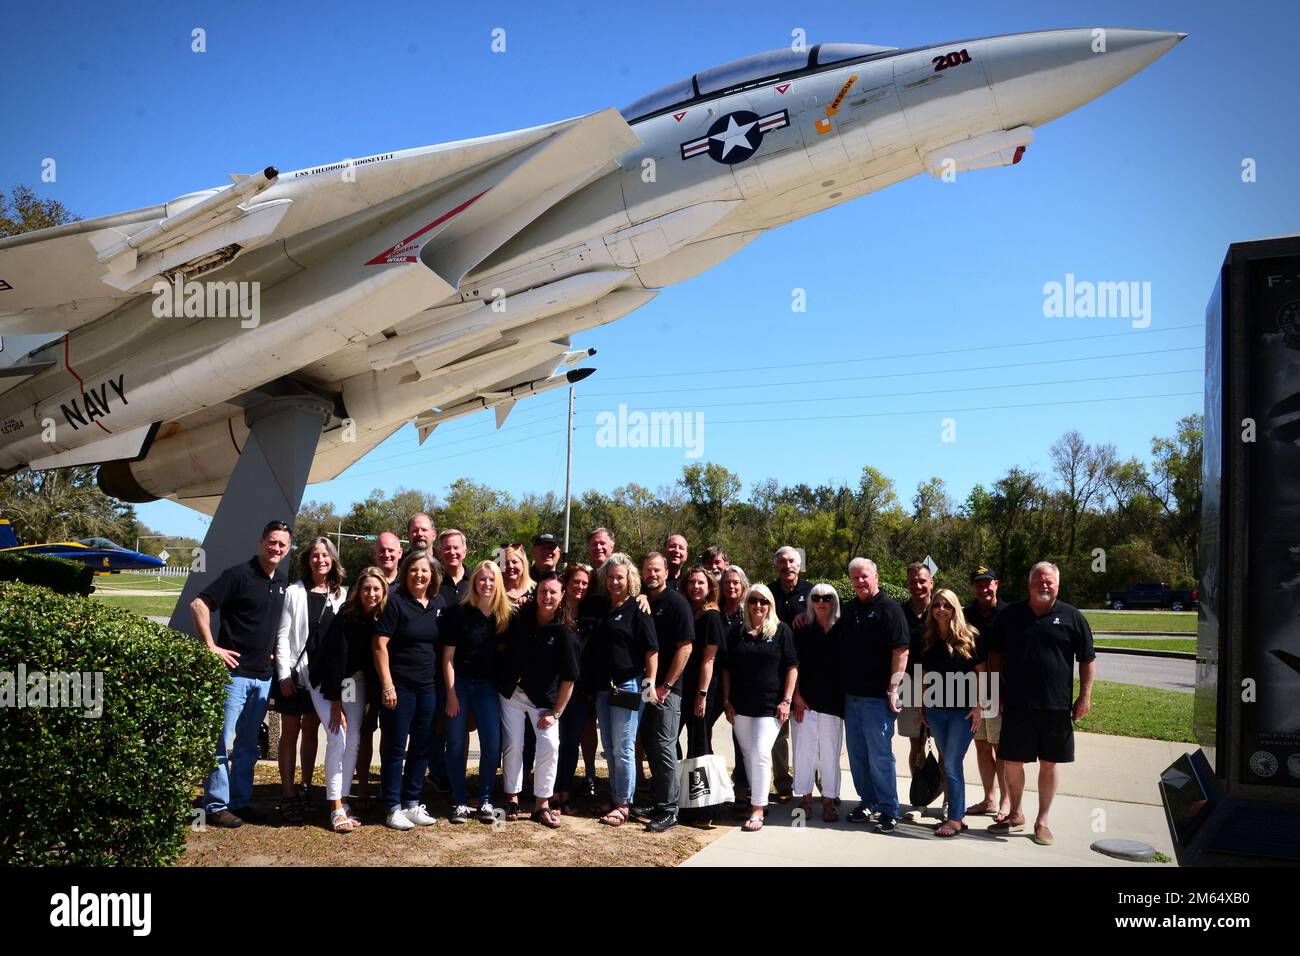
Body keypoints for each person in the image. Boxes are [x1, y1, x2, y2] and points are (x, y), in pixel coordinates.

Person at [193, 520, 293, 828]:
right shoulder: (238, 575)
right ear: (261, 542)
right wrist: (211, 645)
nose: (277, 548)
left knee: (249, 745)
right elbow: (199, 604)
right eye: (272, 542)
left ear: (288, 549)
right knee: (222, 742)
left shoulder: (282, 583)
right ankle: (216, 804)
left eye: (283, 545)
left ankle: (240, 801)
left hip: (263, 678)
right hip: (233, 676)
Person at [987, 562, 1096, 846]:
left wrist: (1084, 697)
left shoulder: (1073, 617)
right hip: (1016, 705)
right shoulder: (1011, 616)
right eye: (1038, 581)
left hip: (1056, 706)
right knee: (1012, 761)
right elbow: (995, 656)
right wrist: (994, 691)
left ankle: (1043, 820)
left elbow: (1087, 659)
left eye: (1049, 581)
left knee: (1049, 763)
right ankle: (1016, 813)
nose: (1044, 585)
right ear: (1029, 584)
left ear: (1058, 585)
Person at [272, 537, 347, 823]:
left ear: (333, 560)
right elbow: (282, 635)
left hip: (321, 677)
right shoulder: (294, 591)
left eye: (326, 555)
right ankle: (288, 794)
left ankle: (306, 786)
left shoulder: (339, 594)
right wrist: (284, 674)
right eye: (315, 555)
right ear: (307, 560)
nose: (320, 560)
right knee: (290, 731)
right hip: (295, 673)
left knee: (312, 730)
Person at [498, 573, 580, 827]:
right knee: (513, 743)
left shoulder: (566, 633)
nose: (547, 596)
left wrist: (556, 713)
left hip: (545, 700)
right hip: (512, 693)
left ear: (562, 596)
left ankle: (541, 803)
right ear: (536, 594)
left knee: (550, 744)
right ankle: (512, 797)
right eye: (543, 591)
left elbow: (569, 678)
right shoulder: (520, 619)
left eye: (553, 592)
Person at [834, 557, 910, 833]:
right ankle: (868, 802)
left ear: (875, 577)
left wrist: (894, 688)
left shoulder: (891, 609)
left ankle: (889, 809)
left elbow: (901, 651)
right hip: (852, 698)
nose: (859, 582)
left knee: (880, 756)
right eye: (855, 577)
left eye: (864, 576)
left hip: (878, 699)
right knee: (857, 755)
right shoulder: (850, 609)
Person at [310, 566, 388, 832]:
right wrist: (336, 703)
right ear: (358, 591)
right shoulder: (346, 616)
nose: (371, 593)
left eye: (377, 589)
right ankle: (334, 806)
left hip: (352, 682)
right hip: (328, 682)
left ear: (383, 592)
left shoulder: (379, 618)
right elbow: (336, 661)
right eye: (366, 588)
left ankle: (343, 799)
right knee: (338, 736)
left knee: (353, 738)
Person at [373, 550, 443, 829]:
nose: (419, 575)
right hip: (399, 688)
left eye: (424, 570)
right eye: (413, 570)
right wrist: (387, 686)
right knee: (395, 748)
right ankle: (392, 807)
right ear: (405, 573)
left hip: (428, 689)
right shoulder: (396, 602)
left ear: (432, 575)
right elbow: (379, 646)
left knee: (422, 747)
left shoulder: (439, 603)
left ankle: (412, 803)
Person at [589, 552, 658, 827]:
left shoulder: (638, 610)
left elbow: (652, 650)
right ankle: (616, 796)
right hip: (603, 689)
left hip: (628, 686)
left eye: (620, 577)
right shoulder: (601, 607)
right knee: (609, 746)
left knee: (624, 746)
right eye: (611, 577)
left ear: (630, 580)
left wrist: (650, 682)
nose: (615, 582)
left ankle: (624, 803)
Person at [723, 584, 798, 832]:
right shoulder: (737, 633)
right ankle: (758, 800)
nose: (758, 605)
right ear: (747, 604)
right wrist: (726, 700)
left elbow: (791, 667)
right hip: (741, 705)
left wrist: (786, 700)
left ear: (770, 605)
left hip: (770, 706)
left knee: (761, 752)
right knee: (747, 754)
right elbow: (727, 670)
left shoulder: (781, 631)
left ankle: (757, 808)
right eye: (754, 600)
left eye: (763, 601)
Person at [441, 559, 511, 825]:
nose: (487, 583)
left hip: (488, 688)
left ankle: (485, 800)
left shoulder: (505, 616)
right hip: (459, 685)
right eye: (482, 579)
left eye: (492, 579)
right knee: (457, 744)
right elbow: (447, 657)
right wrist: (451, 695)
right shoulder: (459, 613)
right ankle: (459, 801)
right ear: (474, 582)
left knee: (492, 744)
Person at [633, 552, 695, 832]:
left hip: (668, 690)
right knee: (651, 746)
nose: (652, 574)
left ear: (667, 573)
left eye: (657, 570)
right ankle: (659, 801)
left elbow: (686, 648)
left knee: (664, 747)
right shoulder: (644, 601)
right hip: (646, 687)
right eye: (647, 570)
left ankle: (670, 809)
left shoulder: (677, 604)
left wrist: (666, 685)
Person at [919, 589, 984, 837]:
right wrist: (922, 707)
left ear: (955, 608)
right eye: (937, 604)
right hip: (936, 711)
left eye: (947, 605)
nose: (941, 609)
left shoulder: (970, 637)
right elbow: (925, 677)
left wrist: (979, 706)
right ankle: (956, 814)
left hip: (963, 713)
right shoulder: (928, 638)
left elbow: (982, 673)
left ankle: (956, 818)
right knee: (948, 762)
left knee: (953, 764)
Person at [355, 531, 403, 806]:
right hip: (364, 675)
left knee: (391, 732)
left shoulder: (404, 587)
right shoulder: (364, 584)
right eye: (381, 550)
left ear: (399, 553)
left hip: (394, 674)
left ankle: (387, 788)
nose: (386, 554)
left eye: (391, 550)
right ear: (376, 554)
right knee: (364, 731)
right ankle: (361, 789)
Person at [792, 582, 844, 823]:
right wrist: (797, 697)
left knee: (830, 754)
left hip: (833, 703)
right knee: (804, 752)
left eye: (827, 597)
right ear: (810, 602)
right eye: (816, 597)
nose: (821, 602)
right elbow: (794, 666)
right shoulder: (803, 630)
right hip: (806, 702)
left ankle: (829, 801)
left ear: (834, 601)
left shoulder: (843, 630)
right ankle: (805, 799)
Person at [963, 565, 1009, 819]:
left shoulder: (1008, 613)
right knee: (981, 746)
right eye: (978, 583)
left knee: (1000, 747)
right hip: (971, 692)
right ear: (973, 587)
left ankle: (1005, 802)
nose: (984, 588)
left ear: (996, 584)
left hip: (998, 692)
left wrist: (1003, 691)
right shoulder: (966, 614)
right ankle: (988, 799)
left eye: (987, 582)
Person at [427, 528, 470, 794]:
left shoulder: (477, 581)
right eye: (447, 548)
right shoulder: (433, 583)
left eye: (456, 548)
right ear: (439, 552)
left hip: (466, 670)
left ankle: (458, 775)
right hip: (433, 669)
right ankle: (438, 773)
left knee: (460, 727)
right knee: (435, 725)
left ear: (465, 551)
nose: (452, 552)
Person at [766, 545, 810, 801]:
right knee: (779, 733)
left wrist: (810, 614)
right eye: (782, 561)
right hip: (777, 672)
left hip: (808, 671)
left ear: (799, 564)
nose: (787, 565)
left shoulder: (813, 592)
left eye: (792, 560)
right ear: (776, 566)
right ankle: (783, 784)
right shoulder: (768, 594)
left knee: (808, 735)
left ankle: (816, 787)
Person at [554, 562, 599, 811]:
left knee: (571, 742)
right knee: (553, 742)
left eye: (584, 583)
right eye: (575, 582)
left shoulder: (591, 613)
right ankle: (550, 790)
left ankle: (565, 791)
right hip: (554, 688)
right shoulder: (555, 610)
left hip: (581, 689)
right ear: (566, 584)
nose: (580, 587)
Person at [899, 562, 934, 812]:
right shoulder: (900, 612)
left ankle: (947, 801)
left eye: (922, 580)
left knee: (943, 746)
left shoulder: (942, 608)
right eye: (912, 581)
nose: (917, 585)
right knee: (916, 745)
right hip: (909, 683)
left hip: (943, 686)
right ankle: (920, 797)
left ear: (931, 582)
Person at [682, 568, 725, 761]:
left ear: (710, 588)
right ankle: (682, 781)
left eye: (701, 583)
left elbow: (709, 659)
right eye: (692, 583)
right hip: (685, 685)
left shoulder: (711, 617)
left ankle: (702, 788)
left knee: (699, 740)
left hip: (703, 688)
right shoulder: (688, 613)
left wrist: (701, 695)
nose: (695, 587)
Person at [718, 564, 752, 804]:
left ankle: (743, 788)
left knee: (741, 740)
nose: (731, 586)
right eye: (727, 582)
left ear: (743, 586)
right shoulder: (713, 610)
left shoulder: (749, 614)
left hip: (741, 683)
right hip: (711, 681)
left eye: (735, 583)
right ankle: (708, 783)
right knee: (700, 732)